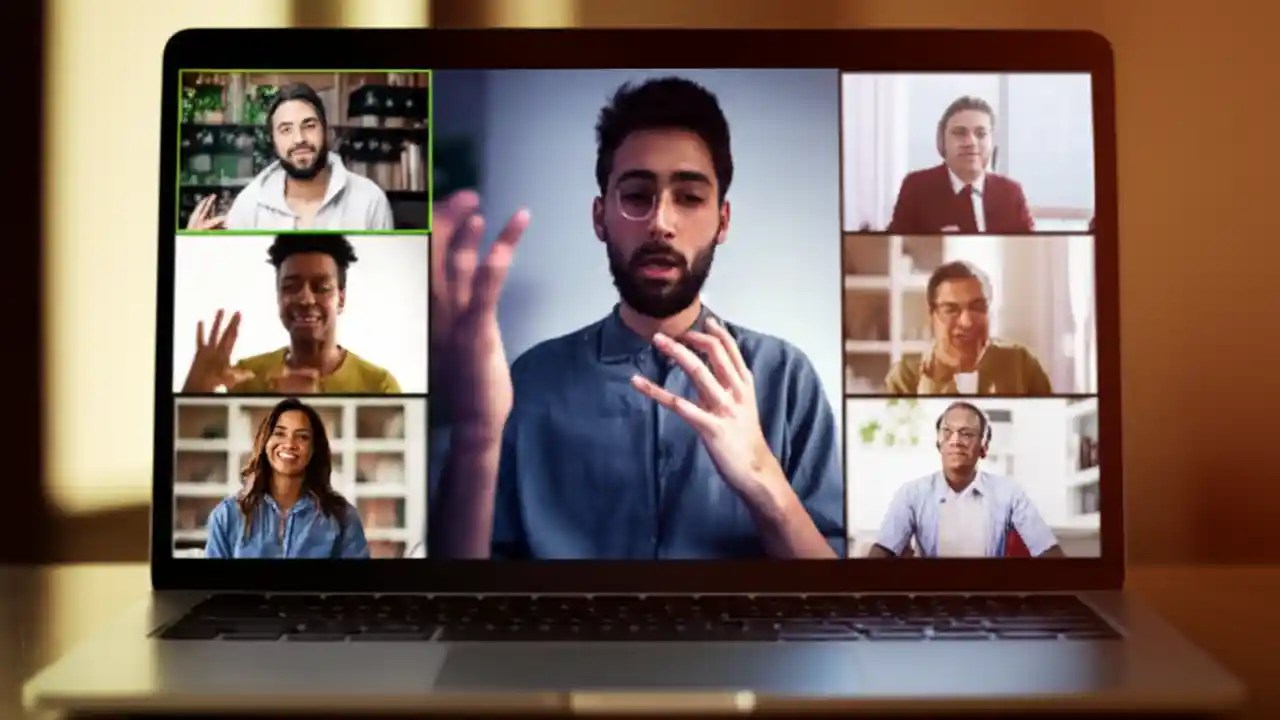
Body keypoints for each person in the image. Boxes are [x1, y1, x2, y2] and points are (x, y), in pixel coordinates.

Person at [428, 76, 845, 560]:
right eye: (636, 195)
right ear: (600, 217)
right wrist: (475, 433)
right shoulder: (528, 381)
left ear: (722, 221)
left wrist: (760, 476)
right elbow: (461, 591)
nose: (661, 223)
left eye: (689, 197)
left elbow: (829, 589)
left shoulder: (786, 378)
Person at [181, 233, 401, 394]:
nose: (305, 299)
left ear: (341, 299)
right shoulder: (246, 377)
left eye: (321, 287)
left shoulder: (380, 385)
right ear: (278, 296)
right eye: (290, 286)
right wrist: (195, 391)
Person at [186, 82, 395, 231]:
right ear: (273, 140)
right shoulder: (249, 205)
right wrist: (197, 249)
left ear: (327, 131)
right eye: (286, 129)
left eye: (309, 126)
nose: (299, 139)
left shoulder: (370, 200)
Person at [867, 402, 1065, 558]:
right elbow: (883, 550)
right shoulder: (912, 493)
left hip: (990, 597)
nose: (955, 441)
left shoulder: (1009, 492)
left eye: (966, 434)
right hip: (931, 598)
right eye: (947, 432)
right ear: (938, 443)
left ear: (983, 447)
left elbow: (1047, 550)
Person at [204, 397, 370, 558]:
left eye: (302, 436)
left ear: (314, 449)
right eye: (279, 433)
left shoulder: (343, 517)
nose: (289, 444)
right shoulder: (227, 515)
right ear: (265, 442)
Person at [885, 260, 1052, 395]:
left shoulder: (1021, 364)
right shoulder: (904, 377)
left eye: (978, 307)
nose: (967, 322)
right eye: (951, 309)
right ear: (931, 315)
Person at [886, 95, 1034, 234]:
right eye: (959, 133)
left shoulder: (1011, 193)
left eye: (981, 134)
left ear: (993, 142)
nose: (970, 142)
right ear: (942, 141)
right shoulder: (916, 187)